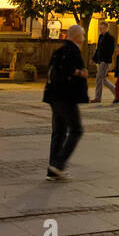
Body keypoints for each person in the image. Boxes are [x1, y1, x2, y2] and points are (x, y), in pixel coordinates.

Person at [44, 25, 88, 179]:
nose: (83, 38)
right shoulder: (73, 51)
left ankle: (52, 170)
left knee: (59, 132)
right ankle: (58, 164)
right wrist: (81, 73)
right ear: (77, 36)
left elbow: (51, 70)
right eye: (82, 35)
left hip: (53, 96)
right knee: (76, 130)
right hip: (66, 97)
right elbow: (67, 70)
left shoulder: (59, 51)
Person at [92, 22, 117, 103]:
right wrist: (94, 59)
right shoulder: (100, 36)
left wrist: (104, 59)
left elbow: (111, 51)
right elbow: (98, 49)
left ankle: (98, 97)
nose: (100, 30)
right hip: (100, 60)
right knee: (102, 79)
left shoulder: (110, 38)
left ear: (106, 28)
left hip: (105, 61)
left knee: (100, 78)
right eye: (99, 28)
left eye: (101, 28)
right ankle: (115, 92)